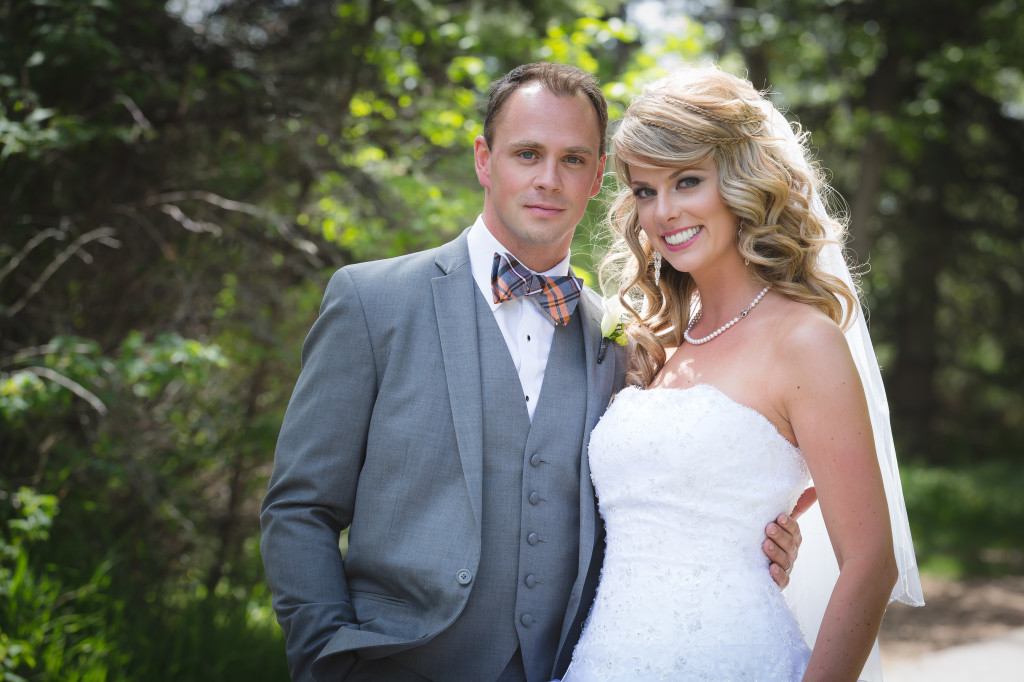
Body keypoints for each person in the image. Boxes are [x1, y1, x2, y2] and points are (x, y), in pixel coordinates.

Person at [259, 62, 803, 682]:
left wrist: (750, 544)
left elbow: (662, 490)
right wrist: (326, 656)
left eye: (573, 159)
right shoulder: (372, 303)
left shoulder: (625, 341)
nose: (549, 179)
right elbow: (300, 507)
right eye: (526, 153)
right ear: (485, 161)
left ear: (599, 177)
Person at [561, 64, 924, 681]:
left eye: (687, 181)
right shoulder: (655, 342)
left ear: (739, 179)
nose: (664, 212)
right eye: (645, 191)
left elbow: (869, 564)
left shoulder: (805, 341)